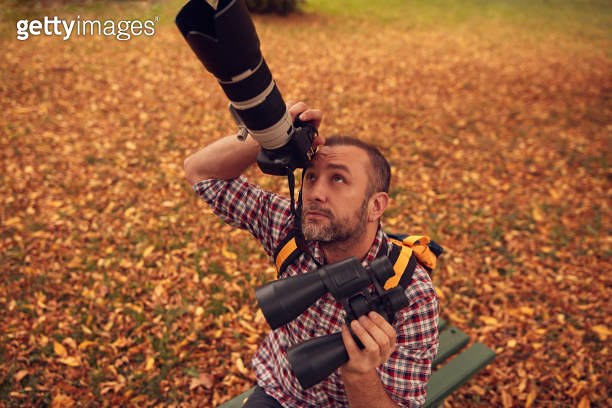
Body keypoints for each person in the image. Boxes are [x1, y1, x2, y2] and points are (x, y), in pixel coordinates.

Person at [184, 101, 439, 408]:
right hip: (282, 392)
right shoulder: (291, 228)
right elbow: (200, 172)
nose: (316, 193)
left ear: (376, 206)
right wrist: (270, 134)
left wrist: (360, 374)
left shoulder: (414, 294)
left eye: (338, 179)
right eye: (312, 177)